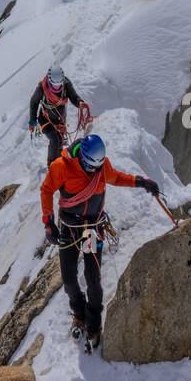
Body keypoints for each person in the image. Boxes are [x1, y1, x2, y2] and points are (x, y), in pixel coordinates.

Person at [40, 131, 160, 349]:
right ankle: (78, 313)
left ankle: (93, 325)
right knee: (68, 280)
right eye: (91, 167)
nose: (96, 171)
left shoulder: (101, 167)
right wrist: (48, 222)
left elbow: (116, 177)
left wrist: (141, 182)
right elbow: (47, 189)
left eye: (98, 167)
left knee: (92, 278)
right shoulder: (61, 167)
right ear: (82, 157)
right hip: (69, 228)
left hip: (91, 230)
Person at [28, 64, 85, 168]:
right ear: (49, 80)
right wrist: (32, 120)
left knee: (59, 142)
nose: (57, 87)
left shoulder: (66, 84)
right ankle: (51, 166)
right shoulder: (42, 88)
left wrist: (80, 102)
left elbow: (74, 97)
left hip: (60, 120)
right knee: (55, 140)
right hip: (45, 119)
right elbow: (34, 102)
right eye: (54, 84)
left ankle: (58, 165)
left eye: (59, 84)